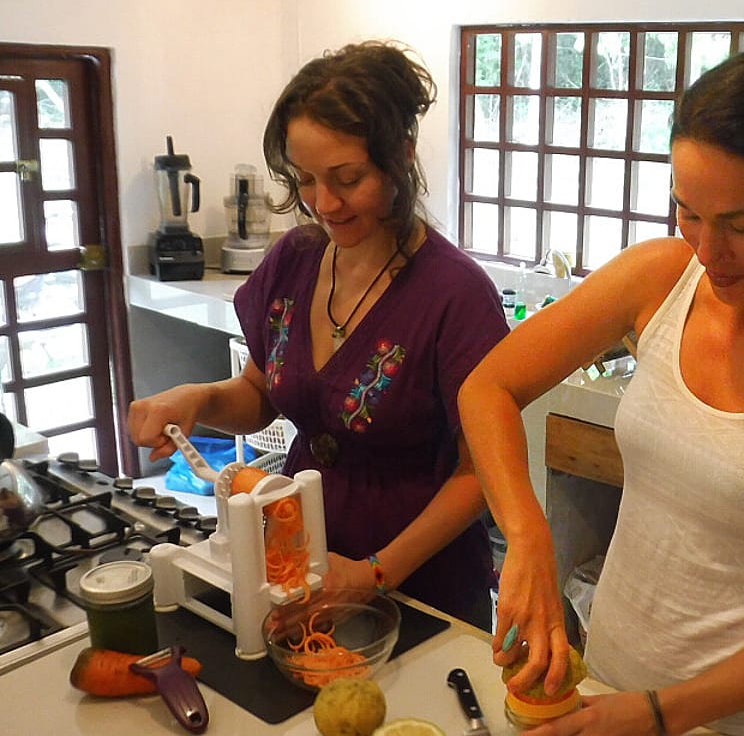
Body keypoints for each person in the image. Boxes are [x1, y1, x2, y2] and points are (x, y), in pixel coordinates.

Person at [458, 50, 744, 733]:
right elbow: (488, 385)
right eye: (688, 212)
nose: (708, 249)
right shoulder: (658, 279)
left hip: (741, 719)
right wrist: (527, 534)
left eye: (741, 224)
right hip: (610, 680)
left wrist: (657, 712)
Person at [127, 41, 508, 628]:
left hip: (422, 586)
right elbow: (261, 394)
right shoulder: (295, 260)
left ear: (401, 156)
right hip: (298, 562)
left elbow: (479, 473)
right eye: (305, 179)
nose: (323, 203)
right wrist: (198, 400)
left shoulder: (455, 295)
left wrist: (373, 573)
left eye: (346, 178)